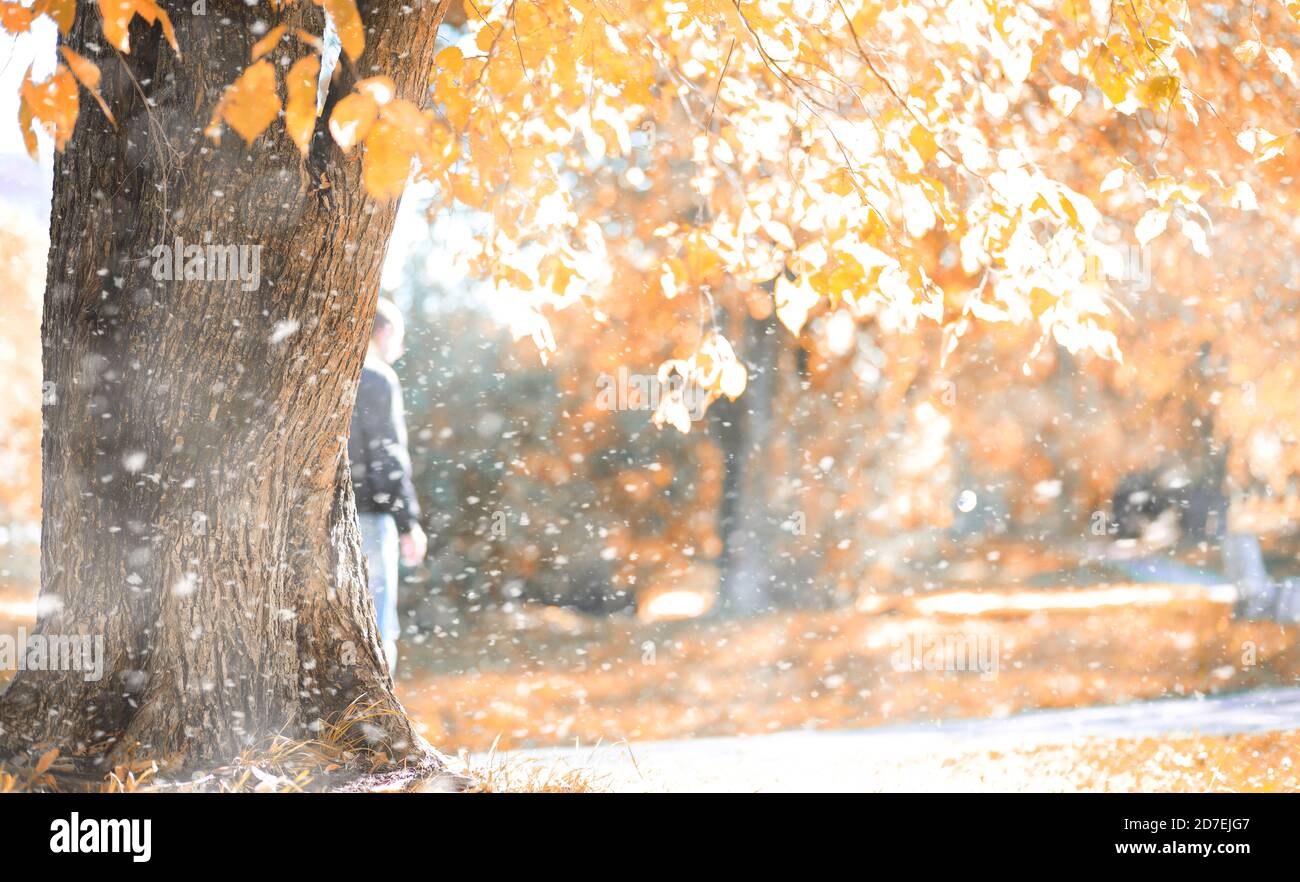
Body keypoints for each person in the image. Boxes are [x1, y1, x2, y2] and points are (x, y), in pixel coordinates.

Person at [348, 298, 426, 676]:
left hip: (327, 517)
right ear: (384, 332)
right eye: (399, 337)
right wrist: (408, 523)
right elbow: (387, 457)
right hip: (370, 517)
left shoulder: (331, 375)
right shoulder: (377, 378)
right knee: (378, 626)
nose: (402, 348)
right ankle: (375, 708)